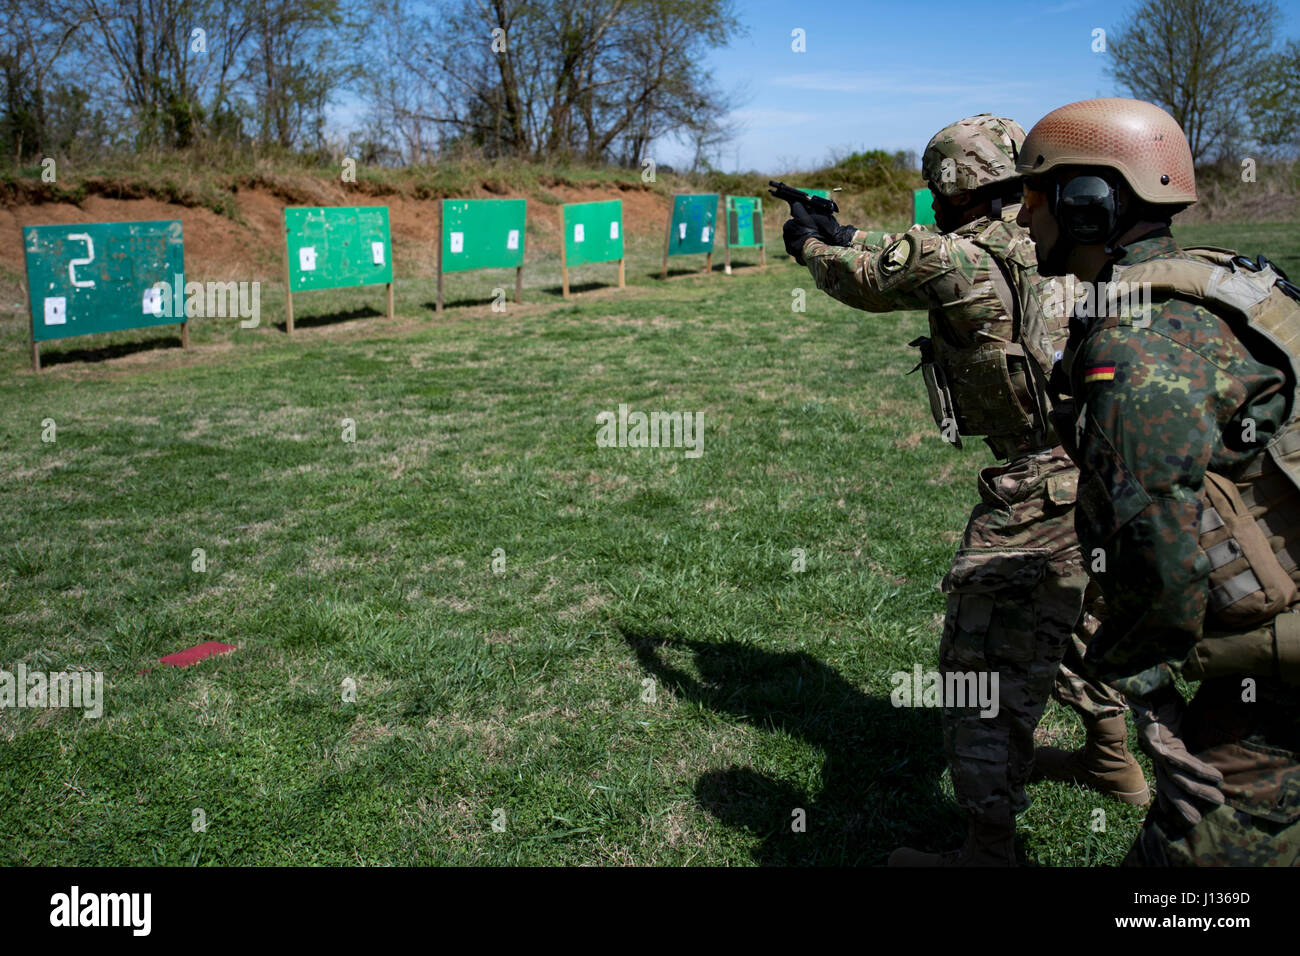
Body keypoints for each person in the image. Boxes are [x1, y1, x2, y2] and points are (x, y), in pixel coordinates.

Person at [783, 114, 1144, 867]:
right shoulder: (1067, 241)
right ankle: (1113, 758)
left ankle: (988, 849)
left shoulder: (958, 254)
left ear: (954, 186)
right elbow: (917, 256)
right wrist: (850, 231)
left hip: (1038, 483)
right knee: (1078, 615)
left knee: (979, 665)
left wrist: (812, 243)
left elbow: (870, 276)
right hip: (1107, 470)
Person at [1016, 96, 1300, 865]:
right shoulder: (1227, 285)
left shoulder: (1137, 342)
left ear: (1089, 204)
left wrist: (1147, 694)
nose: (1022, 218)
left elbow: (1157, 546)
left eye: (1035, 196)